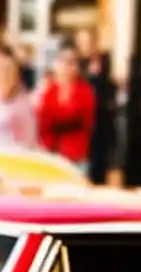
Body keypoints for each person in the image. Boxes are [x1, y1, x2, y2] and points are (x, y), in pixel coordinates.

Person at [37, 45, 96, 169]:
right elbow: (43, 121)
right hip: (51, 156)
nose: (67, 66)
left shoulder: (84, 91)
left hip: (75, 156)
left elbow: (78, 119)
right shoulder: (50, 90)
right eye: (63, 61)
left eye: (72, 62)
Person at [76, 28, 115, 184]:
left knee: (99, 170)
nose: (86, 46)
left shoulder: (106, 63)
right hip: (82, 125)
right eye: (82, 43)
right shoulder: (77, 65)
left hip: (101, 124)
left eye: (89, 42)